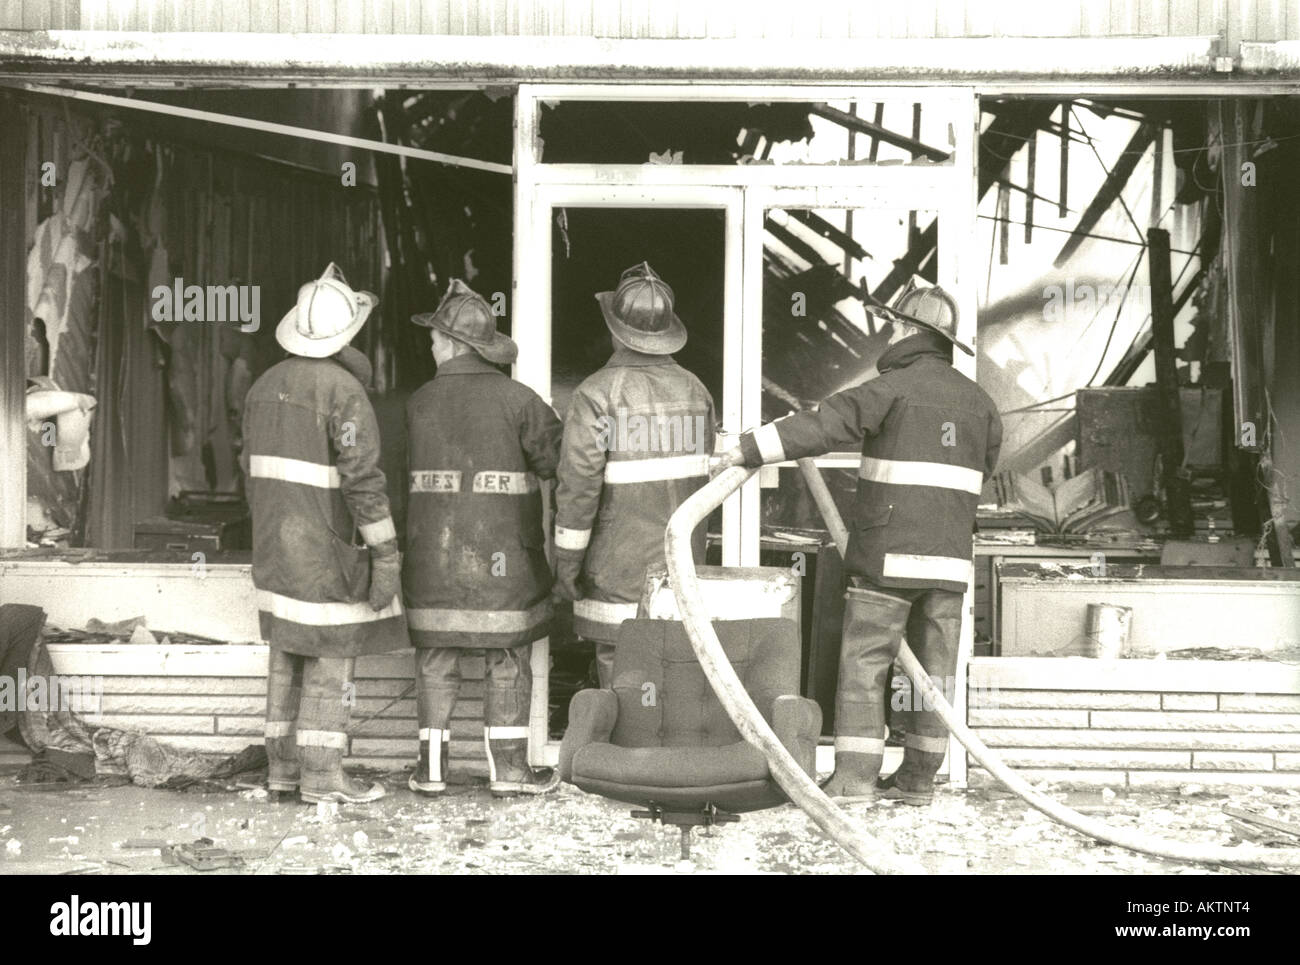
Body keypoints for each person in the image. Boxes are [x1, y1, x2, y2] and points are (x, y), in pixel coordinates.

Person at [713, 286, 1002, 805]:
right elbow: (984, 469)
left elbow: (825, 424)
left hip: (886, 559)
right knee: (931, 676)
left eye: (894, 324)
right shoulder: (980, 403)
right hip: (950, 564)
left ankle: (853, 780)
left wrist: (744, 449)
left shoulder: (892, 387)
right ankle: (918, 779)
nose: (888, 332)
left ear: (912, 331)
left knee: (866, 665)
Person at [242, 263, 406, 805]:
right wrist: (386, 554)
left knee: (285, 654)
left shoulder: (263, 385)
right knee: (330, 661)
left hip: (272, 549)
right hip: (325, 550)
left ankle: (282, 773)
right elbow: (362, 482)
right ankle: (323, 777)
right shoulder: (344, 391)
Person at [404, 279, 563, 797]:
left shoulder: (416, 403)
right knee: (508, 660)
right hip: (505, 564)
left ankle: (430, 773)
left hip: (433, 558)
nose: (430, 346)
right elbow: (559, 465)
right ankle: (510, 772)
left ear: (452, 345)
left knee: (435, 658)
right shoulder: (521, 400)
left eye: (434, 338)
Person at [553, 262, 716, 687]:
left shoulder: (595, 393)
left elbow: (577, 486)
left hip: (615, 567)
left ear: (614, 327)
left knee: (620, 667)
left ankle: (622, 753)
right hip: (681, 565)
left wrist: (567, 563)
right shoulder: (697, 390)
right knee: (671, 669)